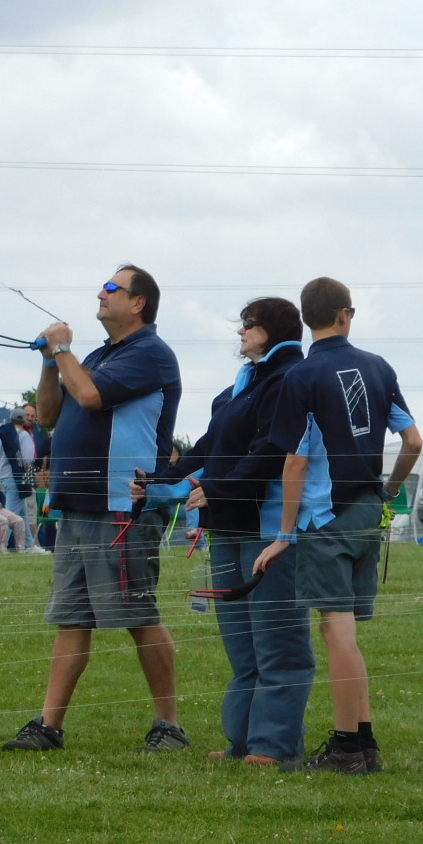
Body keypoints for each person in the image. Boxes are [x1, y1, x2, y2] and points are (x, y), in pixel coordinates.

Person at [3, 264, 187, 753]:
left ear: (138, 302)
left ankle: (168, 725)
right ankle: (48, 726)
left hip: (122, 505)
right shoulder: (104, 354)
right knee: (72, 618)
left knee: (138, 614)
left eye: (111, 288)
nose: (100, 295)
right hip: (79, 504)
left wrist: (63, 350)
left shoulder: (150, 353)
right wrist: (48, 361)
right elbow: (48, 415)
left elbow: (88, 397)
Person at [254, 277, 423, 774]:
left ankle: (349, 745)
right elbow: (411, 441)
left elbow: (296, 463)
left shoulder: (300, 378)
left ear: (308, 319)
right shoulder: (378, 367)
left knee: (335, 630)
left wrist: (284, 534)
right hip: (367, 511)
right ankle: (363, 741)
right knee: (346, 630)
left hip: (324, 518)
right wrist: (389, 489)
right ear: (347, 314)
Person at [138, 296, 315, 767]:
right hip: (228, 526)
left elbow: (271, 451)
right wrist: (158, 483)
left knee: (279, 642)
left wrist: (215, 486)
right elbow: (207, 449)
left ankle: (275, 747)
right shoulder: (240, 386)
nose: (240, 333)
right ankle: (243, 741)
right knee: (242, 643)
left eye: (248, 325)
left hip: (270, 526)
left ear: (272, 331)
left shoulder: (286, 381)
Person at [0, 405, 43, 551]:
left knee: (22, 513)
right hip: (17, 479)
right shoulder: (24, 435)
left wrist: (0, 469)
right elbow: (27, 460)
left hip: (2, 478)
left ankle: (30, 545)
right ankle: (0, 546)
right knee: (10, 515)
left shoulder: (2, 435)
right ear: (23, 419)